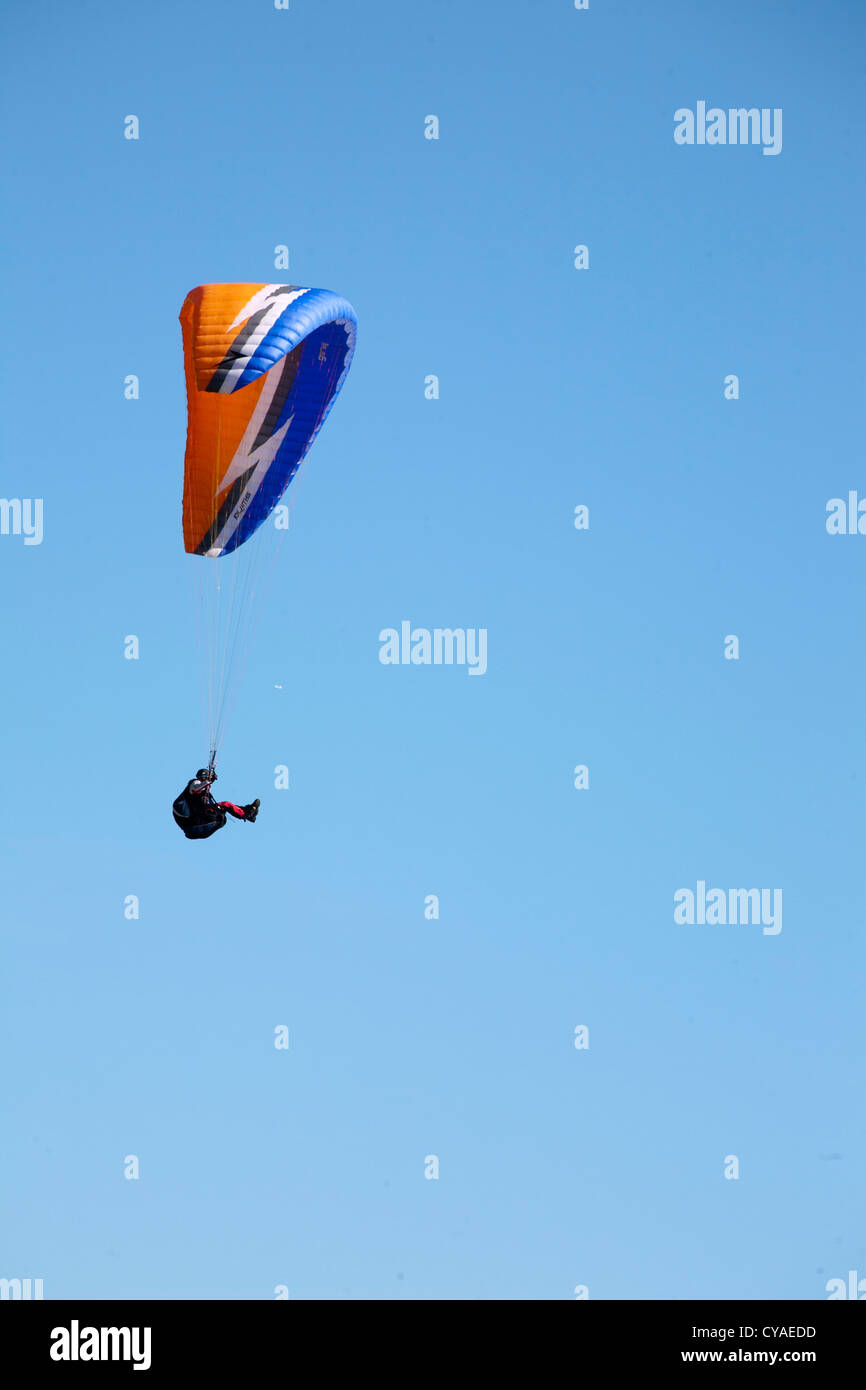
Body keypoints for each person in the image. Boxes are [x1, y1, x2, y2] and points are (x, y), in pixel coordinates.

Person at [172, 768, 260, 840]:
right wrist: (209, 781)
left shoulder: (200, 800)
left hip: (197, 825)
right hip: (192, 826)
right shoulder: (194, 784)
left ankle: (247, 813)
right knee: (220, 817)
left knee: (225, 805)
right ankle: (247, 814)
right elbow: (195, 788)